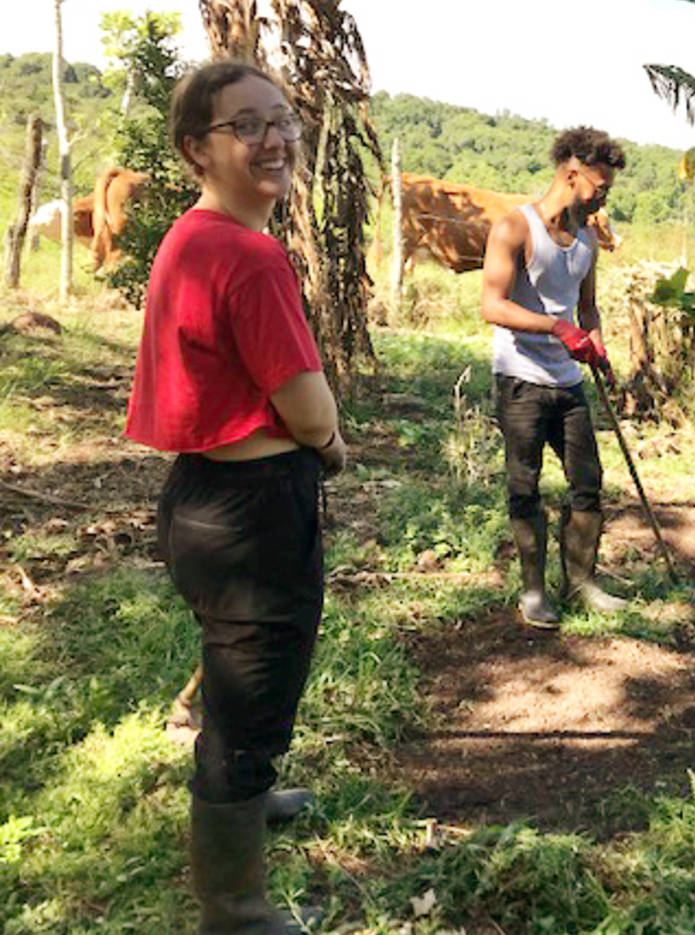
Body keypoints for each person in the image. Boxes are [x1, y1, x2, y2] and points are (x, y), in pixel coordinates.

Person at [124, 60, 345, 933]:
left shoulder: (191, 235)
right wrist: (329, 442)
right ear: (195, 150)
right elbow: (306, 400)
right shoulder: (249, 256)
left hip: (201, 500)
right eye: (245, 126)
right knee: (253, 696)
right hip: (254, 508)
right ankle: (236, 907)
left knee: (234, 674)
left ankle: (247, 797)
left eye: (282, 119)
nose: (275, 138)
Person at [481, 126, 628, 628]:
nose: (601, 199)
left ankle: (582, 583)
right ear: (571, 174)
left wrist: (597, 343)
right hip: (521, 378)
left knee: (587, 482)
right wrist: (554, 327)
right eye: (599, 188)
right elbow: (491, 305)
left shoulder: (587, 236)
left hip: (568, 382)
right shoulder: (514, 228)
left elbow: (588, 308)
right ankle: (534, 590)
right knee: (525, 485)